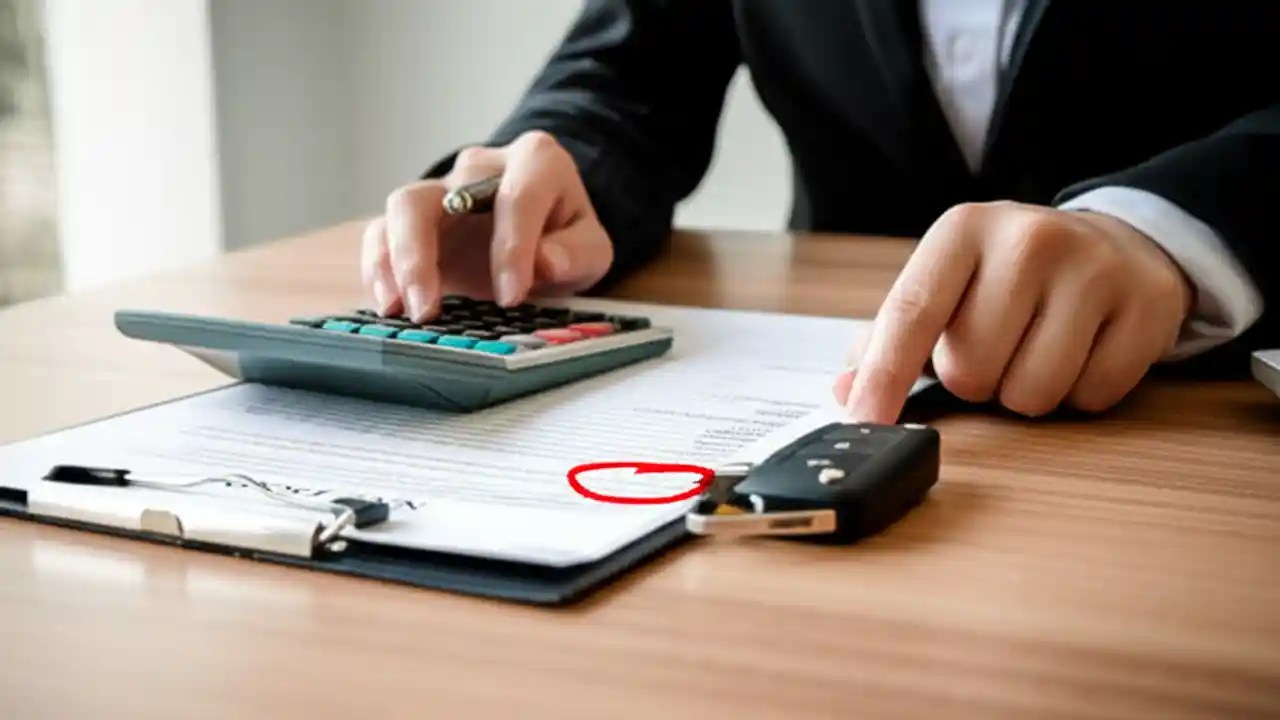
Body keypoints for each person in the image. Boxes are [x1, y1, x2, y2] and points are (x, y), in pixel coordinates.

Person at [359, 0, 1277, 424]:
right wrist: (554, 171)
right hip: (827, 384)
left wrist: (1168, 226)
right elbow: (630, 67)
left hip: (1193, 413)